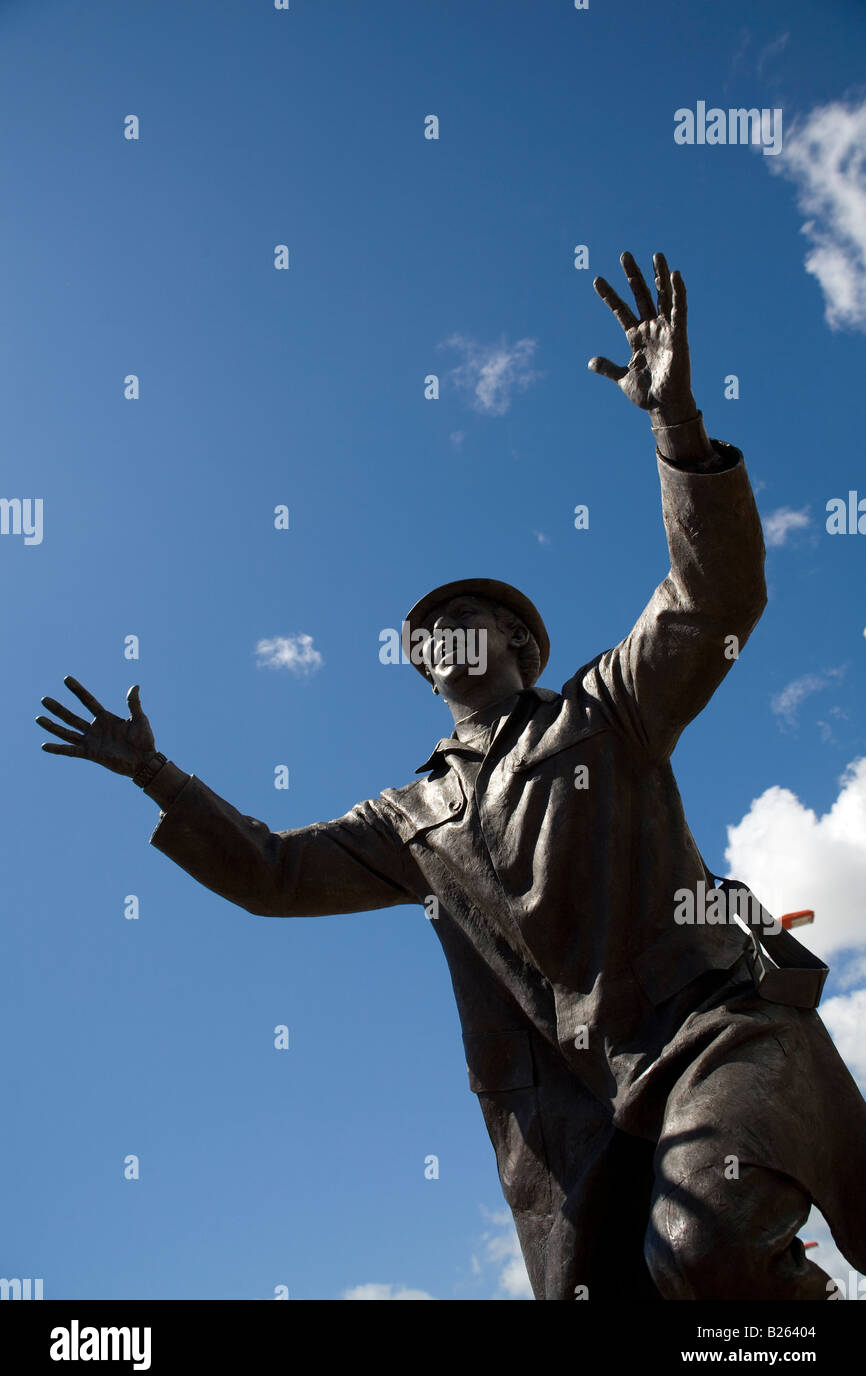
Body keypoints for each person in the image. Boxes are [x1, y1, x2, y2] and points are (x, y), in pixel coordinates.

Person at [38, 252, 866, 1300]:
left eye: (463, 620)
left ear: (521, 644)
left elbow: (711, 603)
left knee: (700, 1252)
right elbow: (273, 873)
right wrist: (158, 775)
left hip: (712, 1034)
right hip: (588, 1106)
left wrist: (676, 431)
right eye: (424, 637)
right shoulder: (411, 816)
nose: (440, 639)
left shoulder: (602, 711)